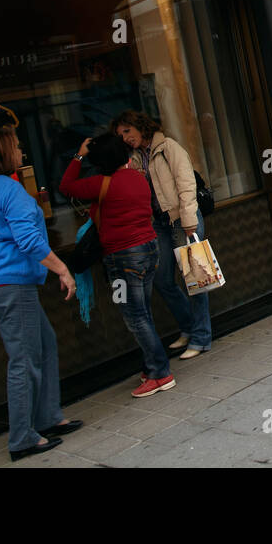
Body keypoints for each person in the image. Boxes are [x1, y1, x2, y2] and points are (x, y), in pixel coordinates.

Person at [0, 126, 80, 461]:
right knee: (24, 360)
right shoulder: (9, 189)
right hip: (11, 284)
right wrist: (62, 269)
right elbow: (28, 241)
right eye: (16, 147)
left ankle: (48, 417)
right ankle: (23, 438)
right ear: (3, 152)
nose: (21, 152)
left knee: (45, 344)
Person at [61, 133, 175, 398]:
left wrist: (79, 155)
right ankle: (151, 366)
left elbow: (66, 186)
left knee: (135, 316)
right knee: (143, 311)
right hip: (149, 249)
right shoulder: (138, 177)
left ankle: (160, 373)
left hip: (123, 257)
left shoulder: (101, 183)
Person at [112, 111, 211, 360]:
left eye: (127, 131)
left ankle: (201, 337)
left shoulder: (168, 147)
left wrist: (188, 220)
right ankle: (189, 327)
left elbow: (186, 184)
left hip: (182, 220)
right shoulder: (134, 158)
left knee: (196, 280)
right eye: (120, 135)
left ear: (140, 126)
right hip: (158, 223)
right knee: (162, 279)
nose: (125, 138)